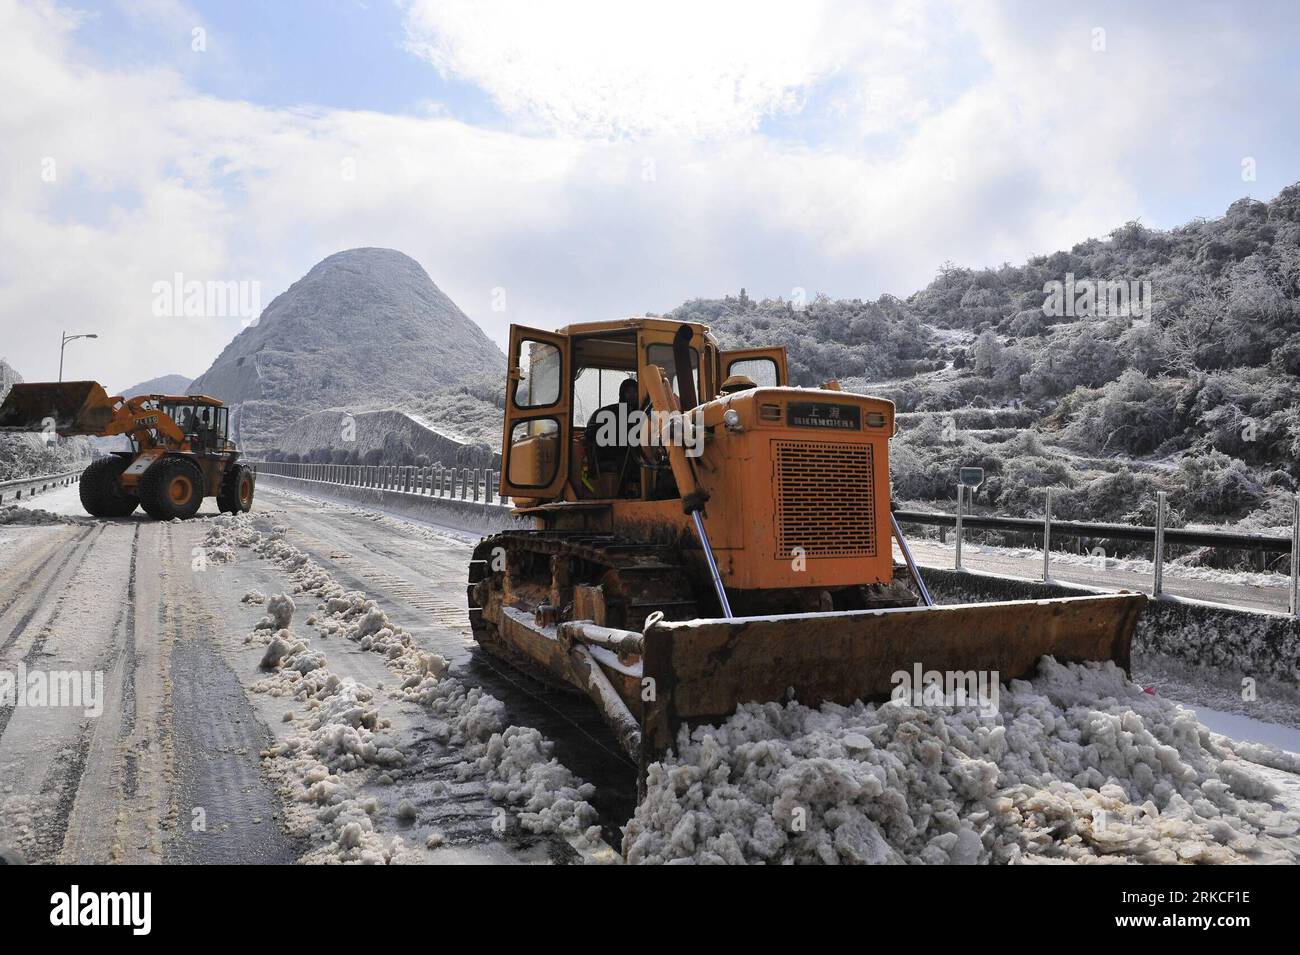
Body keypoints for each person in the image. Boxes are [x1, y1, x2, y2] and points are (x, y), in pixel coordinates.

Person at [584, 377, 639, 484]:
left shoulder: (642, 413)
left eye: (635, 391)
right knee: (628, 462)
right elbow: (591, 433)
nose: (632, 395)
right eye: (628, 391)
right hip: (612, 453)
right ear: (622, 394)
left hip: (634, 451)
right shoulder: (613, 412)